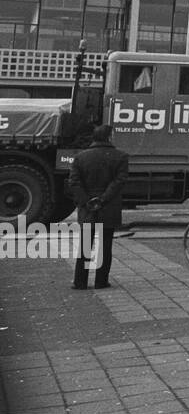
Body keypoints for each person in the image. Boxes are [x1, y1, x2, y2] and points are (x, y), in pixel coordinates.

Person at [70, 124, 129, 290]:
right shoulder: (121, 156)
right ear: (109, 137)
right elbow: (119, 181)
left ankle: (80, 281)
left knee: (85, 245)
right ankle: (101, 281)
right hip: (108, 205)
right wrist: (102, 200)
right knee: (105, 244)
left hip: (87, 207)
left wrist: (86, 201)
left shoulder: (80, 157)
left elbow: (74, 182)